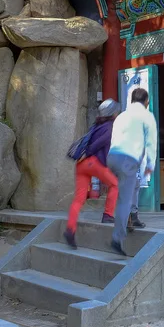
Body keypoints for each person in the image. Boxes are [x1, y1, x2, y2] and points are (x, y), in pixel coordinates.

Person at [107, 88, 158, 256]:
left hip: (113, 157)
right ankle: (117, 239)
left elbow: (114, 138)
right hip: (127, 159)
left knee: (132, 186)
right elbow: (151, 143)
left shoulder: (121, 116)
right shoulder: (146, 117)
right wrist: (150, 164)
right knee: (125, 200)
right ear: (146, 102)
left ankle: (132, 217)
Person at [64, 99, 121, 249]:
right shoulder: (109, 127)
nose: (117, 113)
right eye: (116, 111)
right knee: (115, 185)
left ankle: (70, 230)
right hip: (93, 163)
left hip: (81, 164)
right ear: (112, 114)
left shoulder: (96, 125)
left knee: (79, 199)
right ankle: (108, 215)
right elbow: (97, 145)